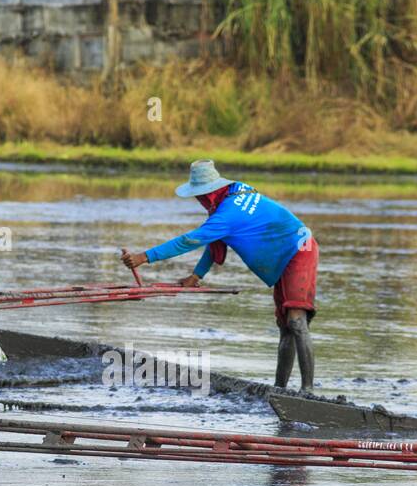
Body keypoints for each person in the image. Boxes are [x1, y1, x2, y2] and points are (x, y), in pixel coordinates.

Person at [120, 159, 319, 393]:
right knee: (285, 326)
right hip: (282, 257)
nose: (199, 200)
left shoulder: (227, 214)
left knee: (296, 320)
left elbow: (190, 240)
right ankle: (280, 390)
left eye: (200, 195)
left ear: (210, 193)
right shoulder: (235, 192)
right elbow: (215, 240)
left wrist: (145, 256)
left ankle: (308, 391)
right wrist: (196, 276)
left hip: (299, 249)